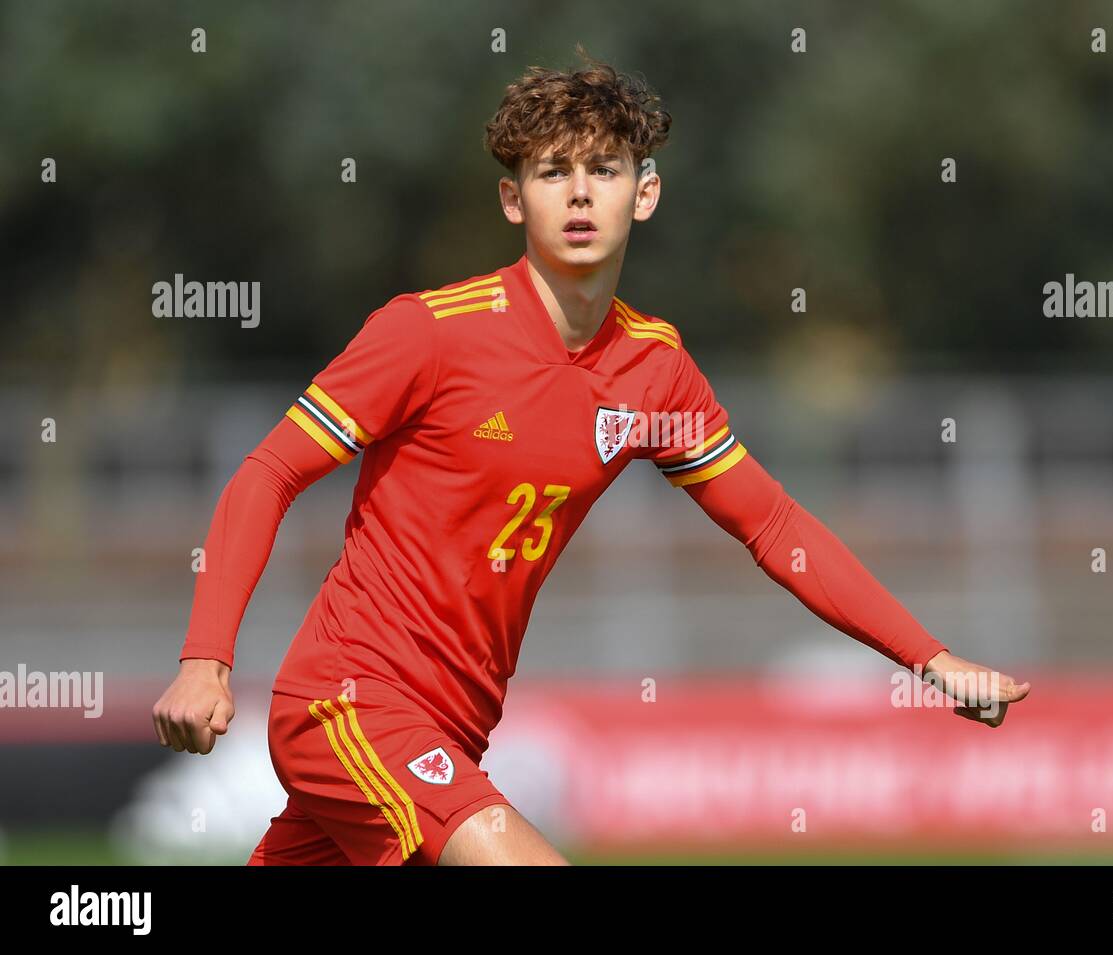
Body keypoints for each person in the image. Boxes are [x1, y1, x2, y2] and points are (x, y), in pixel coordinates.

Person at [153, 51, 1029, 866]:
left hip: (457, 727)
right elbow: (268, 471)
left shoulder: (655, 370)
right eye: (552, 173)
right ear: (513, 200)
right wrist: (206, 659)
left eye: (603, 171)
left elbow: (771, 524)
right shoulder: (427, 333)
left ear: (644, 194)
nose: (579, 196)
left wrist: (932, 660)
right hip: (346, 702)